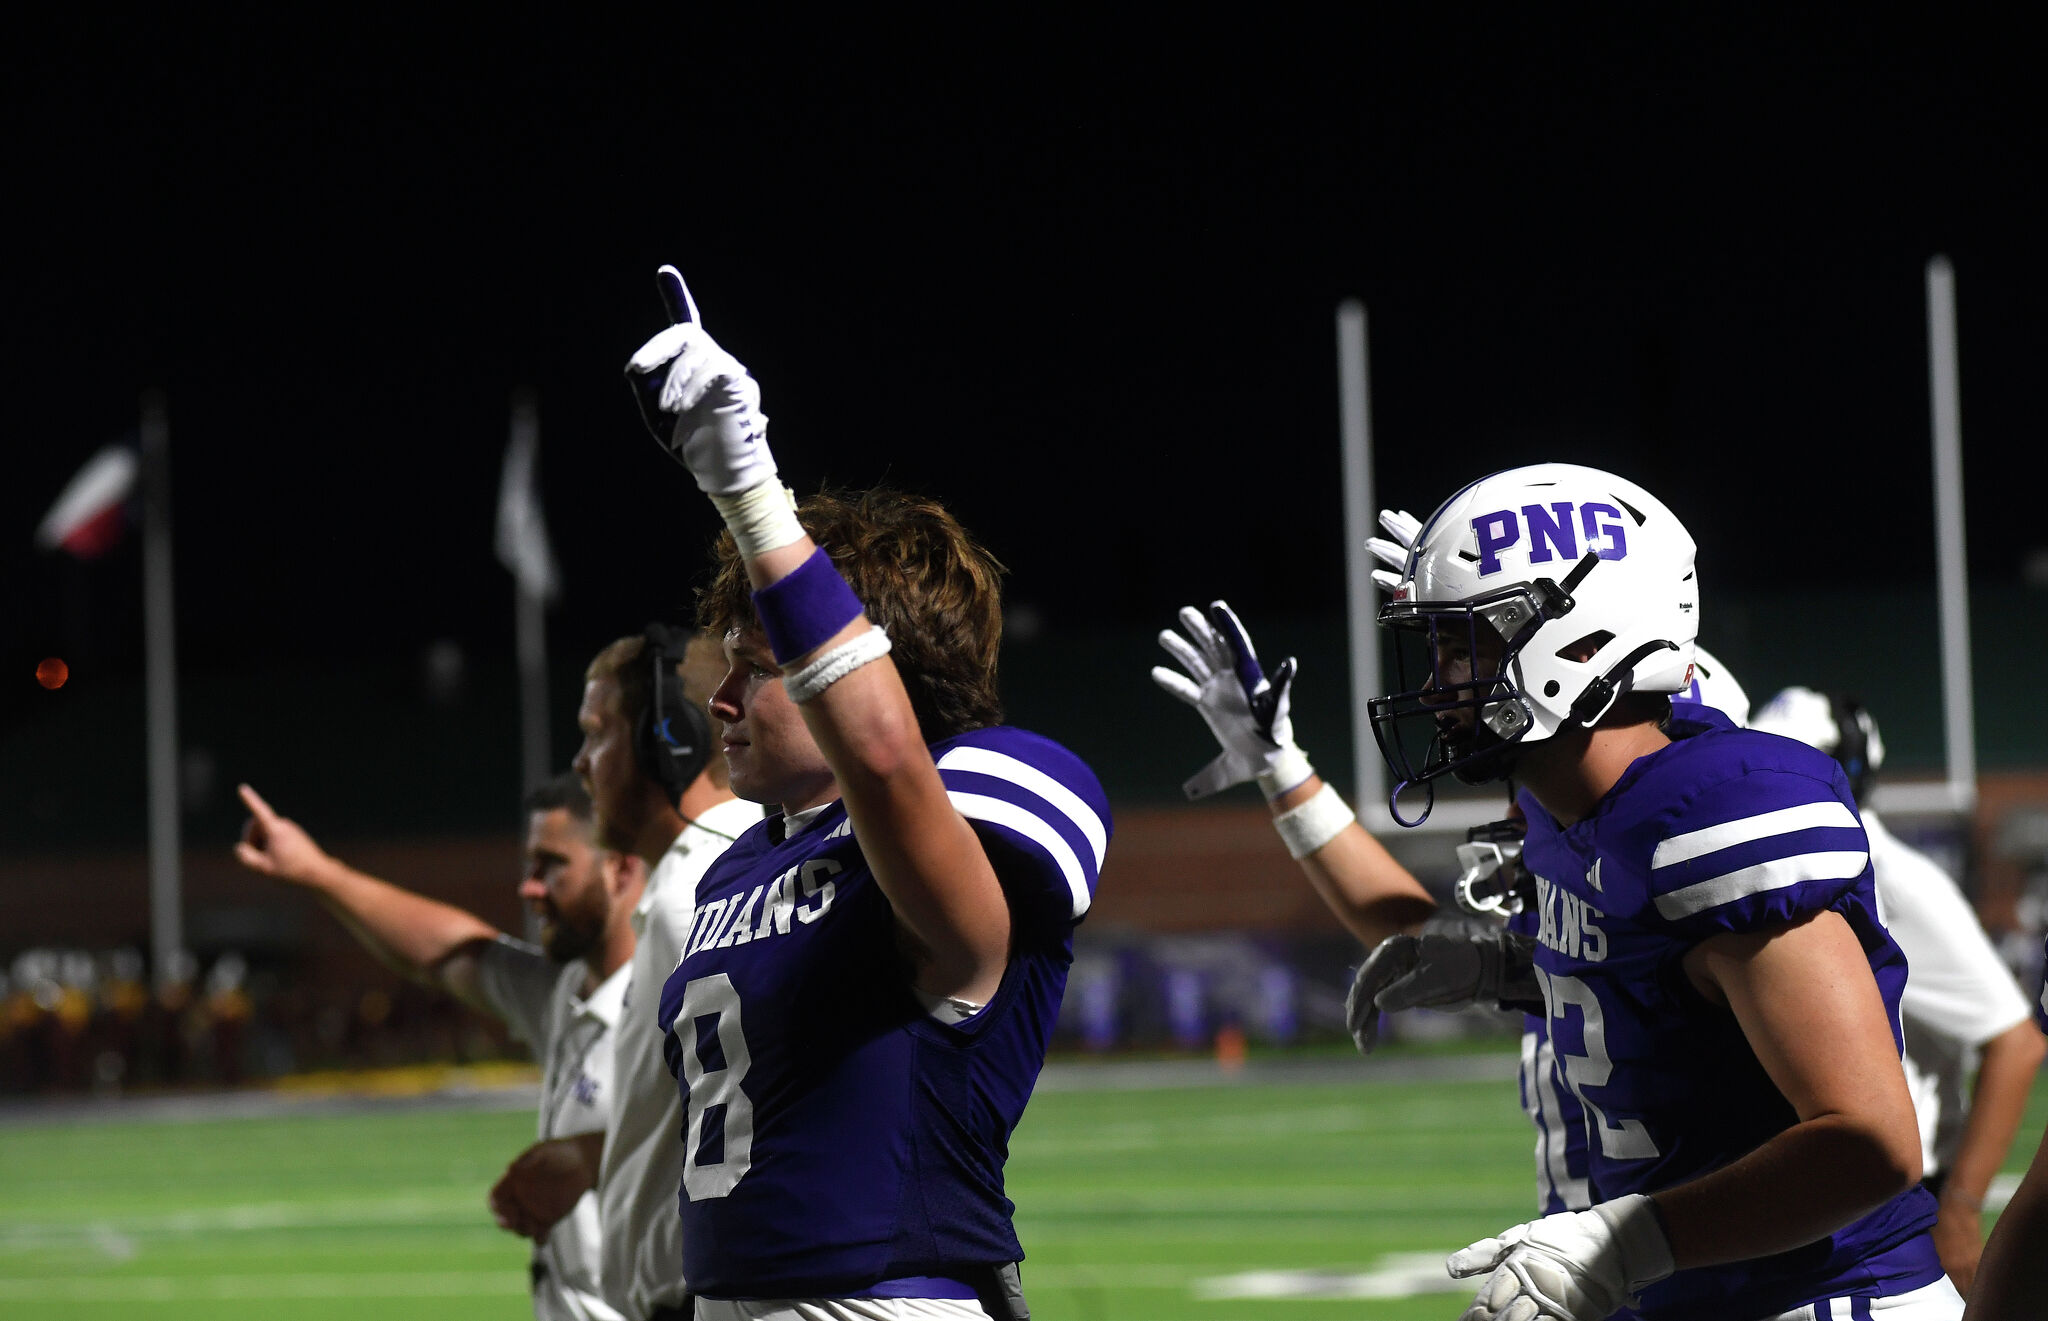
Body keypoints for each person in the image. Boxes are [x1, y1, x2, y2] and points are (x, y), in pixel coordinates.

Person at [626, 264, 1109, 1320]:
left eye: (762, 667)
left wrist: (749, 488)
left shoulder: (1005, 777)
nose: (725, 702)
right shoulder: (746, 859)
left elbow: (889, 768)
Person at [1372, 462, 1959, 1320]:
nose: (1434, 687)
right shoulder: (1563, 809)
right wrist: (1504, 968)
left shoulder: (1713, 808)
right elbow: (1665, 987)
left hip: (1828, 1301)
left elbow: (1868, 1142)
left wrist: (1622, 1244)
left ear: (1574, 643)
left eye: (1465, 647)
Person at [233, 773, 642, 1321]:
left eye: (553, 865)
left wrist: (592, 1157)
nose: (530, 887)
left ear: (619, 868)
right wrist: (318, 873)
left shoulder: (675, 1010)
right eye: (530, 865)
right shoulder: (565, 991)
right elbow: (450, 950)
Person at [488, 626, 758, 1321]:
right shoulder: (710, 874)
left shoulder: (695, 897)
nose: (580, 761)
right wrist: (590, 1155)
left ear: (669, 739)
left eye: (597, 733)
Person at [1750, 687, 2045, 1297]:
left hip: (1887, 1199)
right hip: (1825, 1191)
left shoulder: (1895, 879)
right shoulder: (1793, 871)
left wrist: (1960, 1211)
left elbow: (2014, 1042)